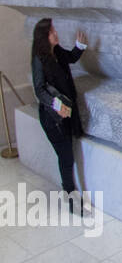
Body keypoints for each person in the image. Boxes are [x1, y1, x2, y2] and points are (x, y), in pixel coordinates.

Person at [30, 18, 90, 204]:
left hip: (65, 114)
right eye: (52, 31)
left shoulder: (55, 51)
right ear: (44, 37)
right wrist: (57, 105)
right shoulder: (39, 60)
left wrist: (80, 46)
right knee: (66, 157)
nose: (56, 33)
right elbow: (39, 89)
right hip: (53, 118)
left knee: (67, 155)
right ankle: (71, 197)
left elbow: (70, 58)